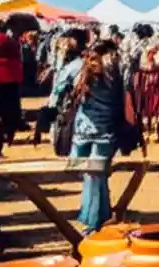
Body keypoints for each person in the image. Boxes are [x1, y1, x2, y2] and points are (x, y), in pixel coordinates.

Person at [52, 41, 124, 233]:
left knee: (91, 175)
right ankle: (98, 217)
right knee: (93, 175)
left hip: (90, 132)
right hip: (99, 132)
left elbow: (58, 89)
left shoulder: (82, 69)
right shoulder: (115, 71)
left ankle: (94, 221)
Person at [0, 18, 24, 144]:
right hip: (13, 77)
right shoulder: (12, 41)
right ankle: (10, 134)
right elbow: (18, 58)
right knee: (12, 107)